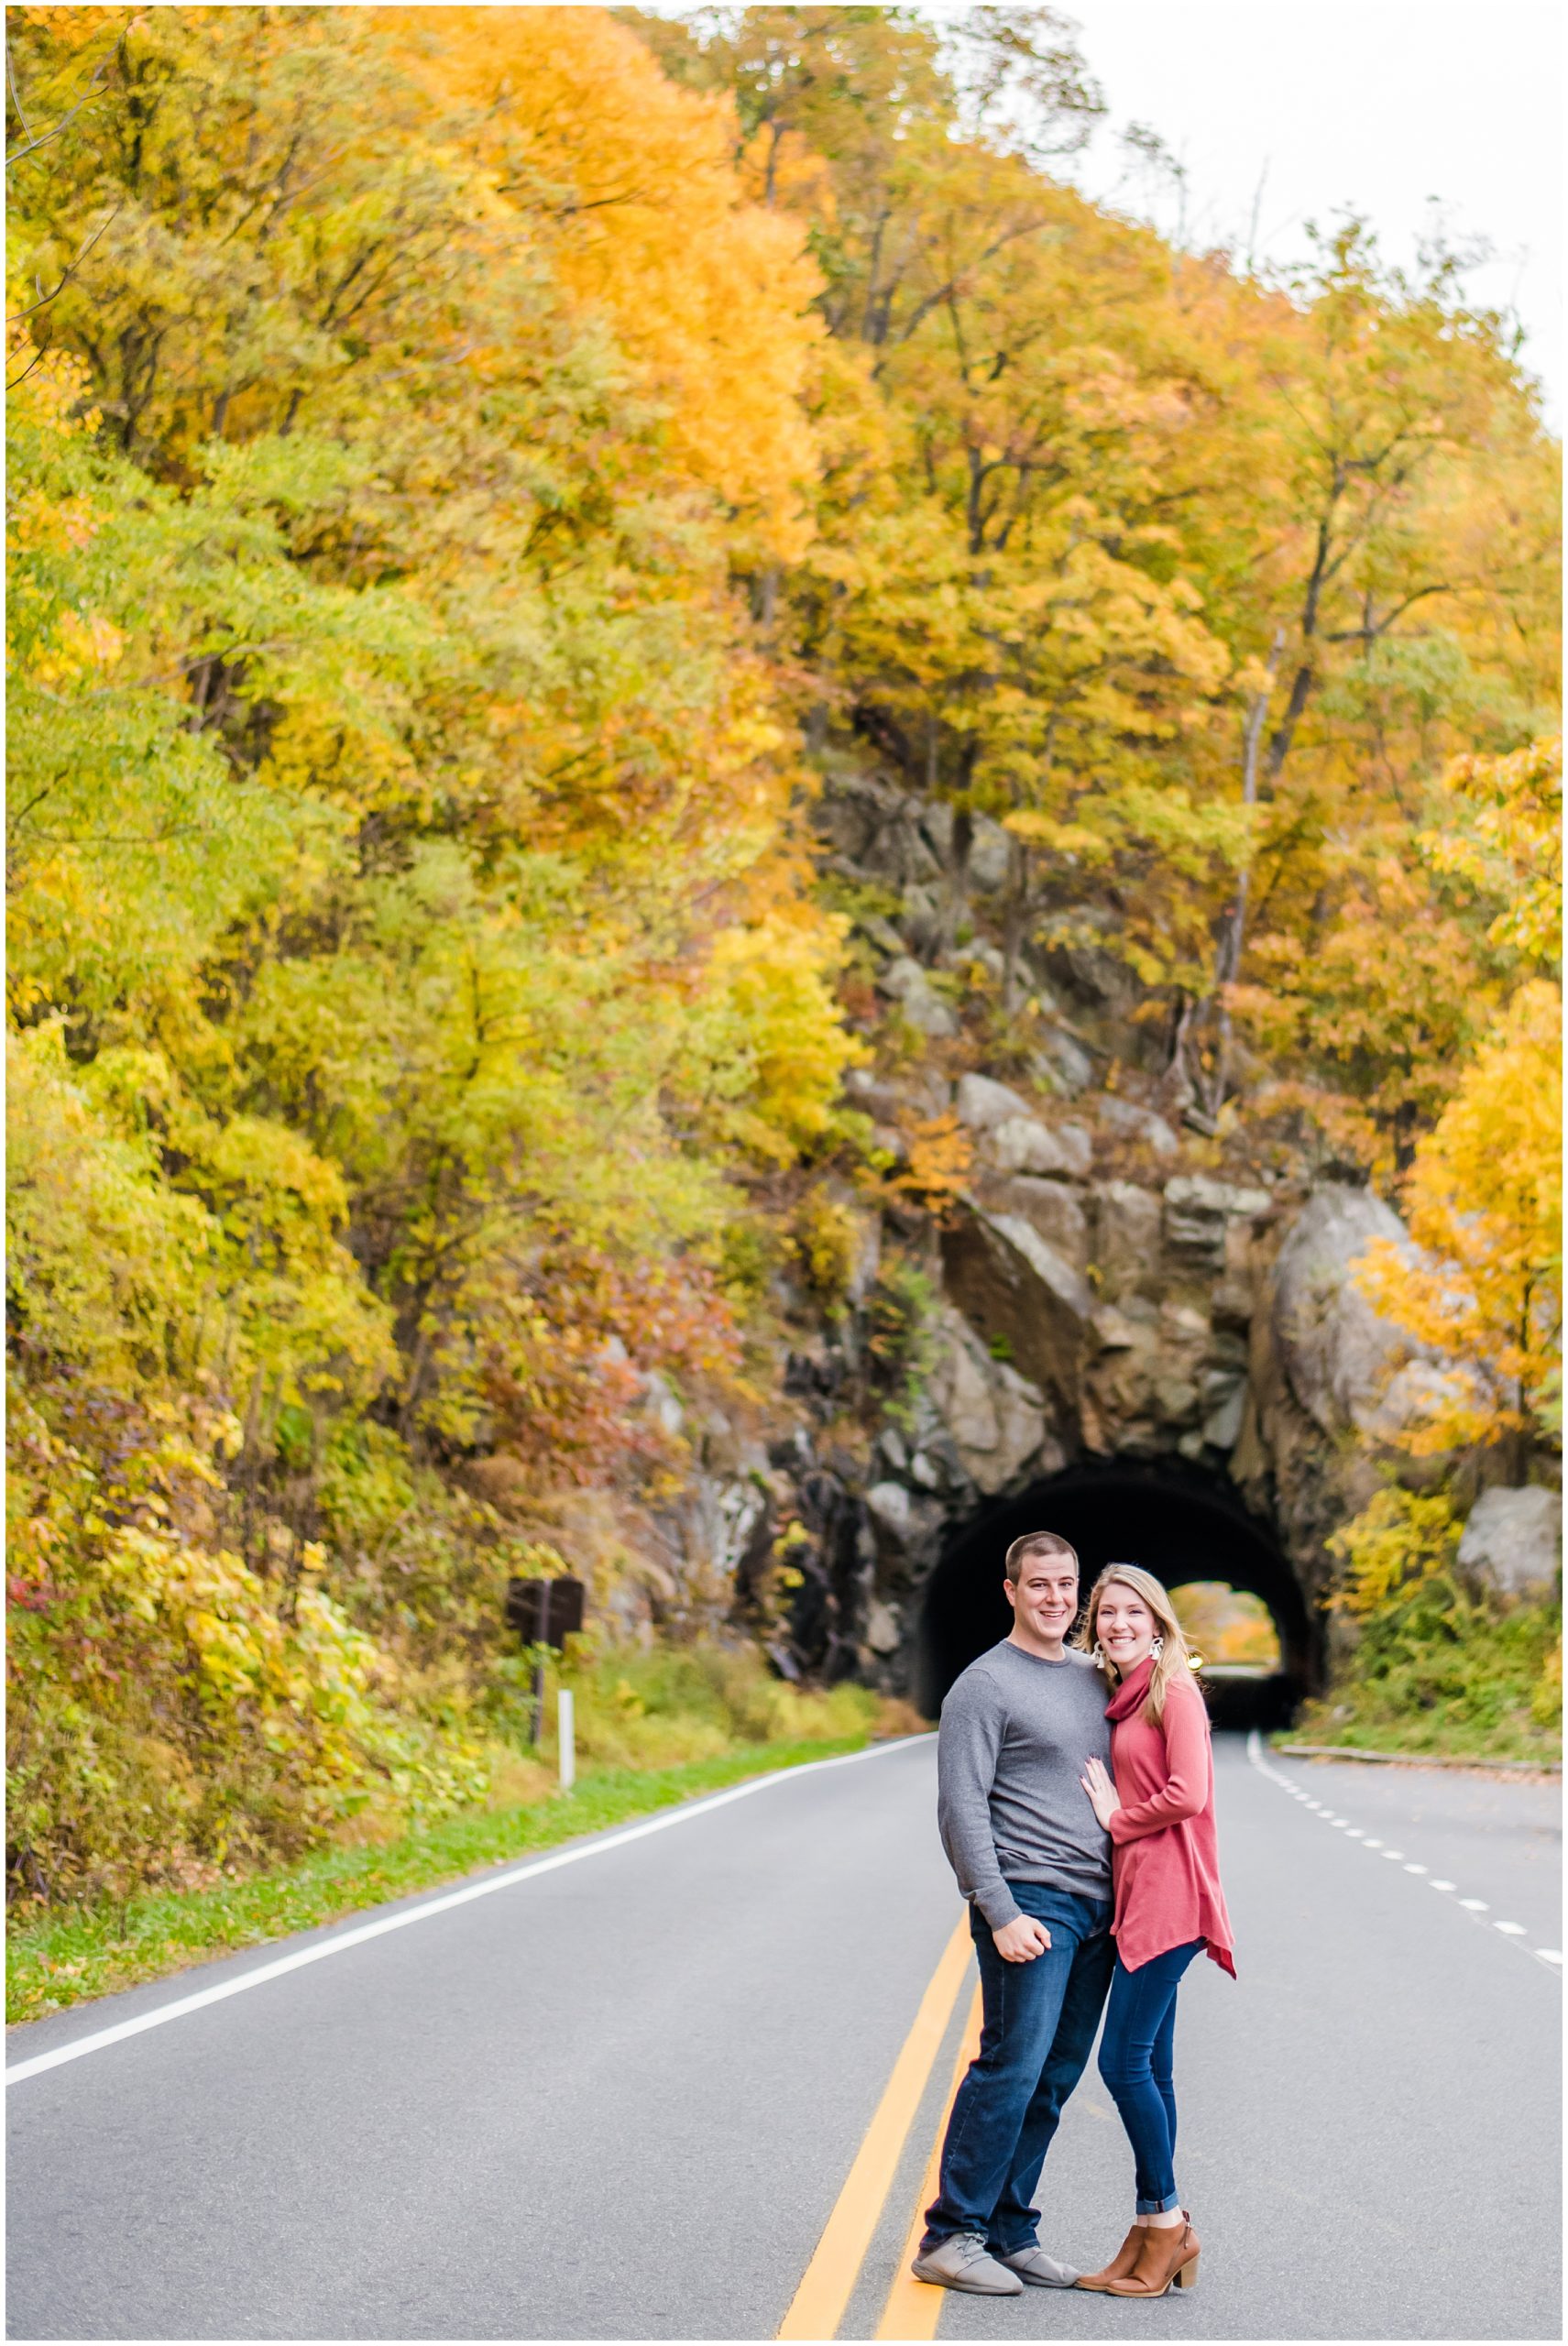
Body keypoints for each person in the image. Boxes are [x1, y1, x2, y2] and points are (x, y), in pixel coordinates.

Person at [911, 1530, 1114, 2298]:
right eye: (1039, 1585)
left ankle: (1007, 2230)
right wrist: (996, 1910)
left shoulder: (1095, 1677)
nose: (1054, 1599)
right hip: (1029, 1901)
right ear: (1010, 1591)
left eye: (1066, 1585)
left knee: (1055, 2076)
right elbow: (959, 1807)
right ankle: (950, 2234)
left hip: (1096, 1906)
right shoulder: (983, 1686)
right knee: (1011, 2063)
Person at [1074, 1562, 1234, 2299]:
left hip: (1170, 1899)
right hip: (1138, 1897)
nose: (1117, 1624)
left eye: (1132, 1612)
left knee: (1122, 2064)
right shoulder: (1122, 1694)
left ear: (1158, 1621)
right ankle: (1148, 2230)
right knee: (1155, 2069)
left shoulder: (1174, 1693)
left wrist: (1117, 1818)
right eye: (1106, 1613)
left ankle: (1166, 2224)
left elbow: (1189, 1793)